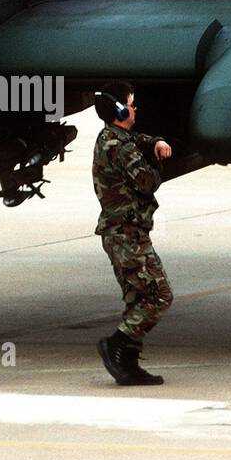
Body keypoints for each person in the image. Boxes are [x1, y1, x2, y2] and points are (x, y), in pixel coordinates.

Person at [91, 81, 174, 386]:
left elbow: (135, 138)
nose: (136, 108)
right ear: (120, 109)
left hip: (120, 233)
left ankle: (127, 364)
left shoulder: (111, 137)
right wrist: (160, 159)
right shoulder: (122, 148)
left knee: (138, 296)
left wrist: (154, 141)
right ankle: (116, 345)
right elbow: (147, 182)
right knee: (159, 295)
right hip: (127, 235)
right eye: (131, 103)